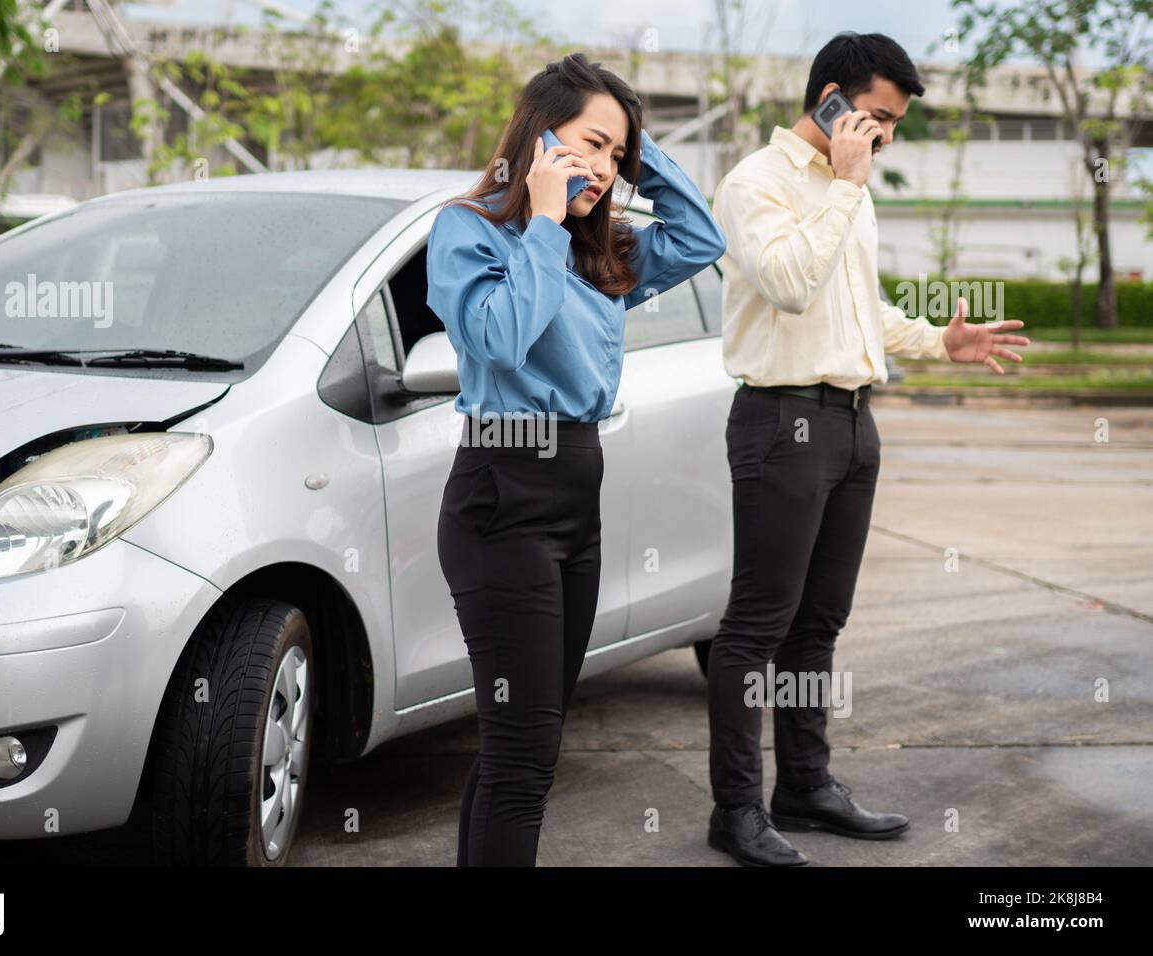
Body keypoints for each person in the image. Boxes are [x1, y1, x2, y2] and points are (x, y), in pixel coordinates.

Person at [705, 32, 1031, 867]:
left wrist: (935, 341)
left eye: (894, 123)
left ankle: (804, 786)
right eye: (878, 117)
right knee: (757, 626)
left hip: (853, 422)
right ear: (831, 100)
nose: (886, 136)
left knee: (819, 624)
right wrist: (846, 185)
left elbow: (855, 310)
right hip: (783, 422)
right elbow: (788, 285)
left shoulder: (851, 194)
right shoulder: (755, 184)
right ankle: (735, 810)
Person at [426, 51, 726, 866]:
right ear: (537, 131)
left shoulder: (608, 251)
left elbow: (703, 236)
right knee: (523, 758)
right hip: (501, 498)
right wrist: (546, 220)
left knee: (526, 749)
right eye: (588, 143)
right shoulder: (469, 229)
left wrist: (638, 150)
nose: (600, 168)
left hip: (575, 503)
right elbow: (498, 336)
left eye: (613, 156)